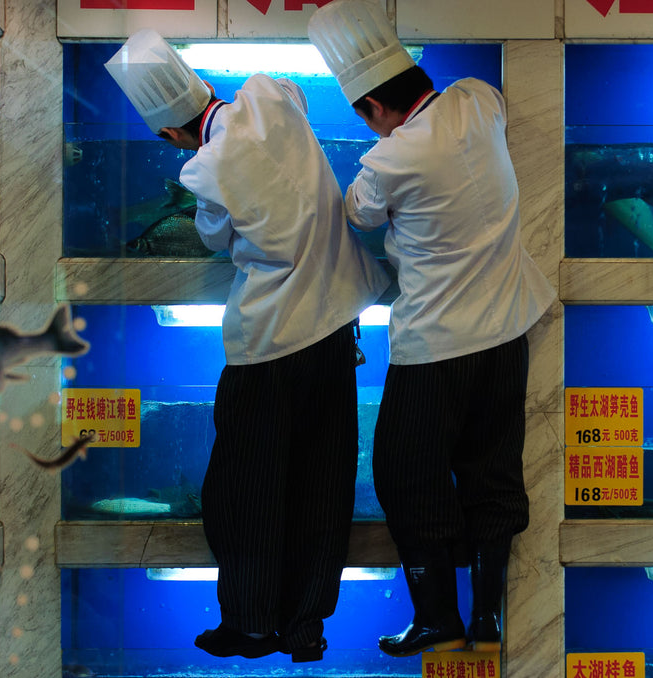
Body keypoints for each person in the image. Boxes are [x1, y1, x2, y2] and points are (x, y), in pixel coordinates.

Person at [104, 29, 391, 663]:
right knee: (324, 485)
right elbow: (292, 99)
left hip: (268, 344)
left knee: (243, 490)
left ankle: (252, 624)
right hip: (335, 333)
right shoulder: (271, 95)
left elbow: (212, 238)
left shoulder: (203, 168)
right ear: (205, 87)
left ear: (167, 134)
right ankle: (305, 629)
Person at [308, 0, 557, 659]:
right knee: (492, 471)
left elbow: (359, 215)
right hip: (507, 329)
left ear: (371, 110)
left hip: (437, 345)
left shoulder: (387, 163)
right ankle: (488, 616)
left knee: (403, 473)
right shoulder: (478, 100)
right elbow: (485, 119)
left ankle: (436, 616)